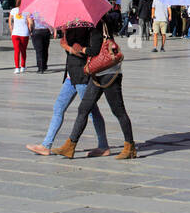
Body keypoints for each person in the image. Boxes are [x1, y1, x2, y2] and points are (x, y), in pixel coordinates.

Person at [59, 14, 137, 160]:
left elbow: (94, 50)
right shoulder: (97, 25)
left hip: (109, 74)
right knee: (84, 108)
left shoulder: (97, 26)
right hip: (97, 73)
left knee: (118, 111)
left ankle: (130, 146)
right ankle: (70, 145)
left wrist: (80, 49)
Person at [25, 26, 110, 157]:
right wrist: (66, 40)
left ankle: (103, 146)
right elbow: (71, 51)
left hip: (82, 76)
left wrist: (69, 47)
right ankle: (46, 145)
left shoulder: (91, 28)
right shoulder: (72, 27)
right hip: (71, 76)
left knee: (92, 112)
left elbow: (92, 51)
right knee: (58, 108)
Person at [9, 1, 30, 73]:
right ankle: (23, 67)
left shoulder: (13, 10)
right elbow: (29, 22)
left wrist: (11, 29)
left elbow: (10, 20)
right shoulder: (27, 10)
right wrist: (30, 29)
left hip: (15, 33)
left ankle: (17, 68)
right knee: (23, 50)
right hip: (24, 33)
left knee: (16, 51)